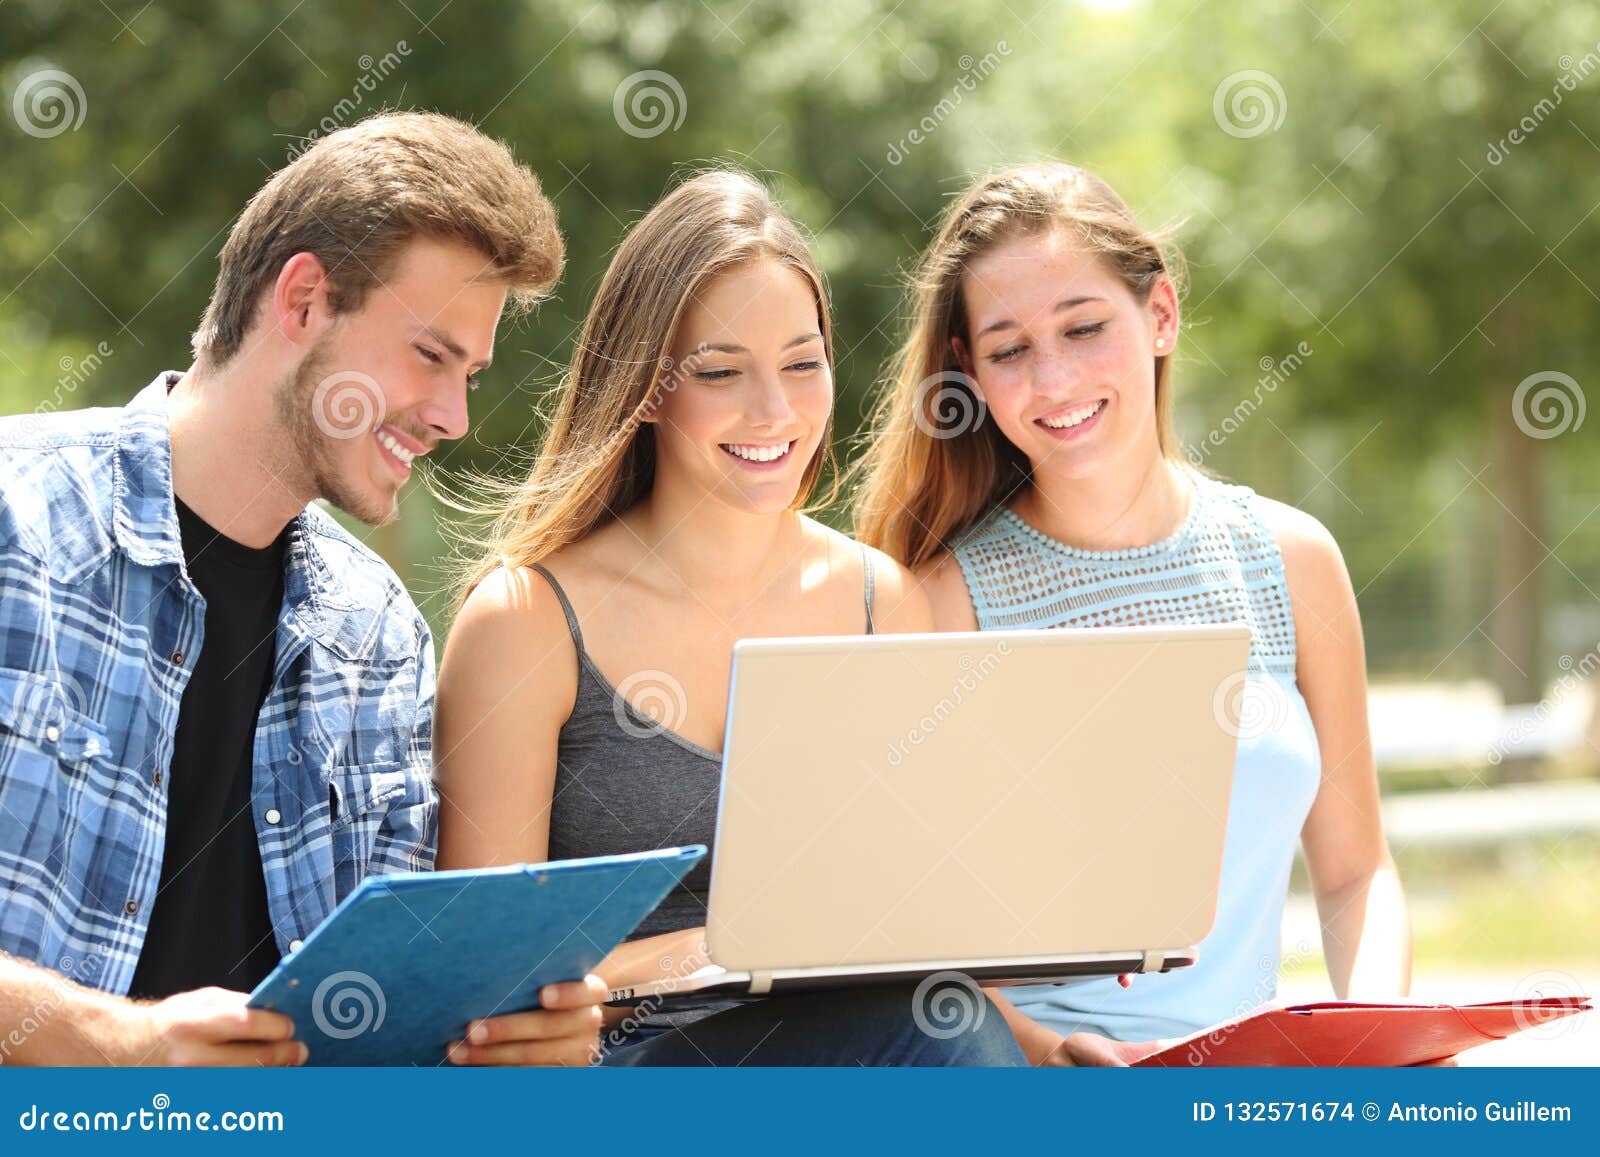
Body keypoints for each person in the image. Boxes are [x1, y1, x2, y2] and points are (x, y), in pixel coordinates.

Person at [0, 111, 607, 1066]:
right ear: (304, 300)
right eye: (430, 355)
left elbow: (384, 1037)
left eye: (471, 374)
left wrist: (506, 1044)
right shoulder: (17, 523)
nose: (451, 415)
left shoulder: (382, 638)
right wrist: (114, 1044)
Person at [432, 169, 1033, 1066]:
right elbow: (486, 989)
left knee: (962, 1040)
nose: (774, 411)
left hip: (863, 1056)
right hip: (615, 1074)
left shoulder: (886, 605)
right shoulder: (526, 619)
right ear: (647, 388)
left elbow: (926, 929)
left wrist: (1047, 1042)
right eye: (720, 371)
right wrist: (723, 949)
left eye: (802, 363)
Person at [852, 162, 1414, 1063]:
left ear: (1160, 314)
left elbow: (1356, 873)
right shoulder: (936, 604)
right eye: (1009, 349)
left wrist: (1385, 1037)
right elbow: (915, 948)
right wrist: (1049, 1054)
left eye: (1084, 327)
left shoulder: (1293, 560)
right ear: (970, 372)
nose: (1055, 377)